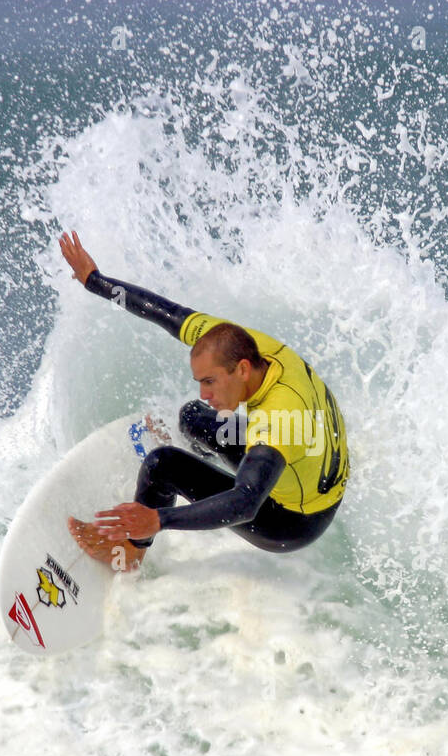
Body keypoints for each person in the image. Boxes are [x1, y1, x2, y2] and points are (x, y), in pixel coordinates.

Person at [57, 230, 349, 570]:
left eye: (210, 382)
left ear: (241, 369)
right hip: (312, 459)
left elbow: (246, 503)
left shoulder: (277, 421)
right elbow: (166, 313)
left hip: (294, 520)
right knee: (193, 416)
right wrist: (96, 282)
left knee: (161, 465)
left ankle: (131, 551)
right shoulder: (249, 346)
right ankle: (197, 463)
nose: (205, 392)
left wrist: (159, 519)